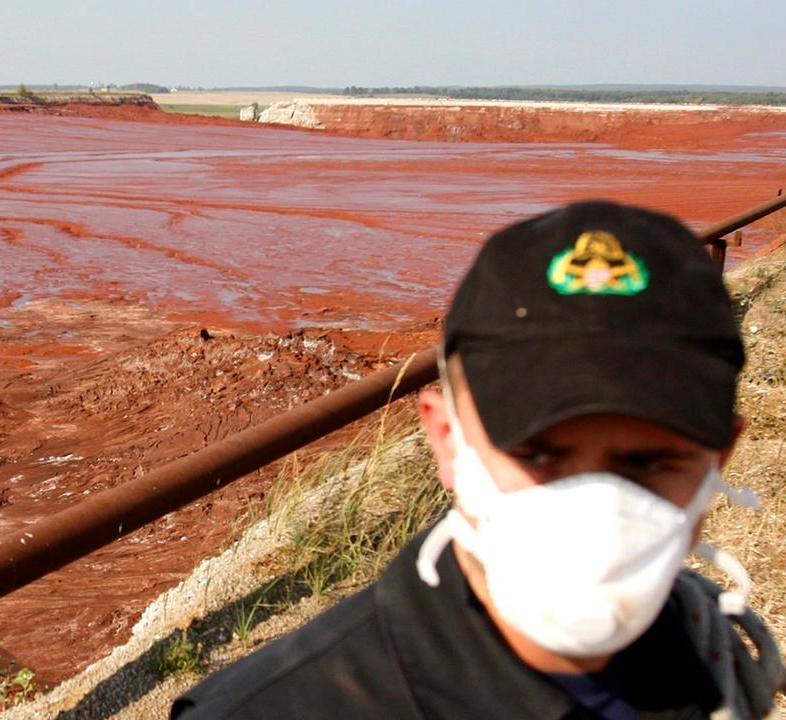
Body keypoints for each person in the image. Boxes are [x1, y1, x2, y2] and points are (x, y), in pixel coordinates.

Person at [172, 201, 784, 719]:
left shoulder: (709, 661)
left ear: (718, 459)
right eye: (540, 453)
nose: (599, 510)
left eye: (650, 463)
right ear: (446, 440)